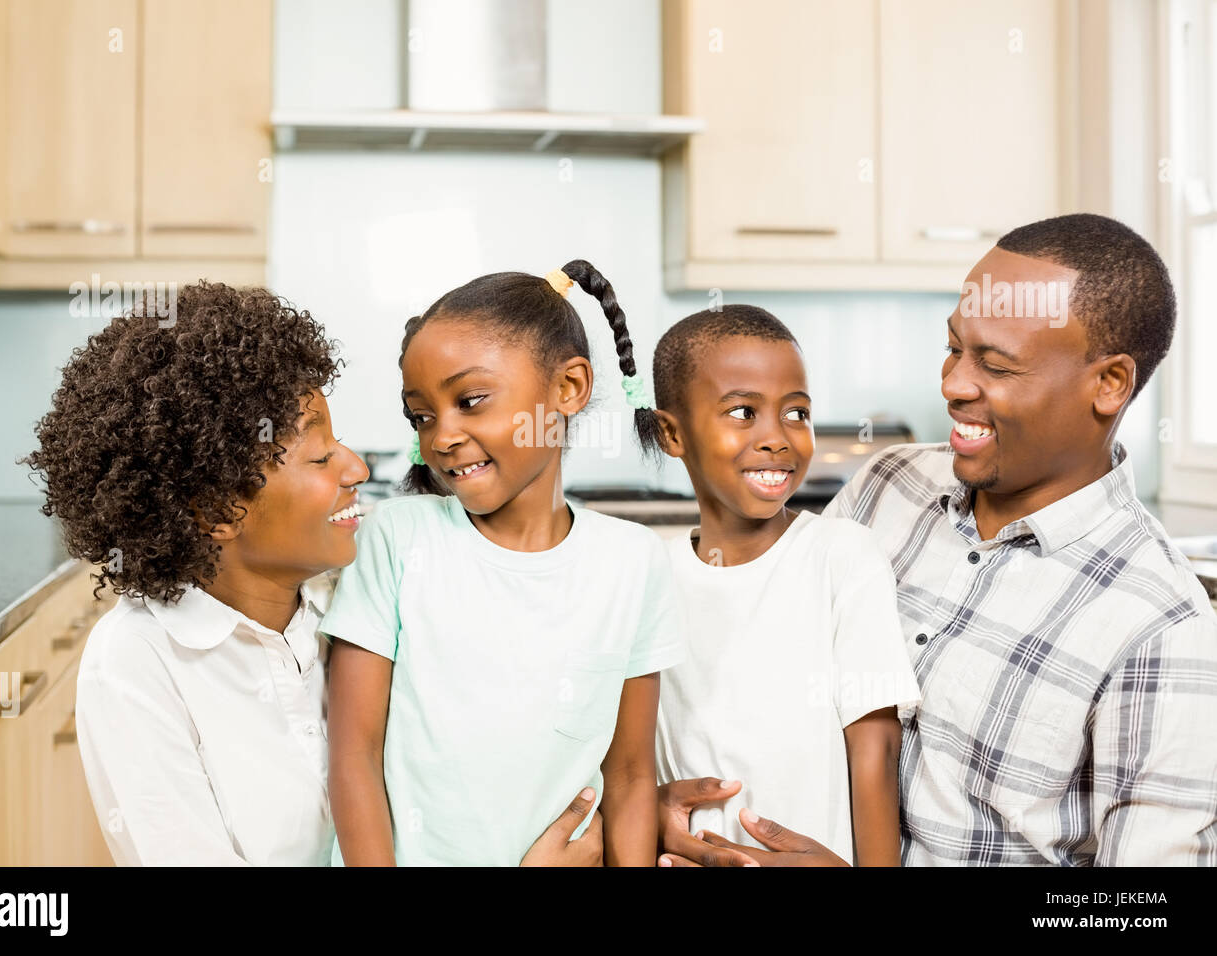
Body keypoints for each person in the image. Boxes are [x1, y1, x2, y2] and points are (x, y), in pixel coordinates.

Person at [664, 213, 1217, 866]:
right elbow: (749, 684)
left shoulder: (1161, 626)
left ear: (1109, 383)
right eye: (954, 347)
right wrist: (663, 802)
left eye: (995, 364)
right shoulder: (885, 485)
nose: (954, 384)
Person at [26, 281, 602, 866]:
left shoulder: (375, 590)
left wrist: (646, 806)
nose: (355, 467)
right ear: (219, 508)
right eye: (321, 456)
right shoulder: (138, 663)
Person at [320, 261, 685, 866]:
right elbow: (353, 755)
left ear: (567, 389)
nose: (442, 436)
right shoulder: (394, 539)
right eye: (423, 415)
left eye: (471, 400)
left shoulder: (632, 562)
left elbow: (629, 775)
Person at [642, 304, 921, 867]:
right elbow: (631, 758)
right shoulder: (650, 575)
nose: (777, 438)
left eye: (796, 413)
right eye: (742, 412)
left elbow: (876, 745)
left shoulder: (842, 555)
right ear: (672, 433)